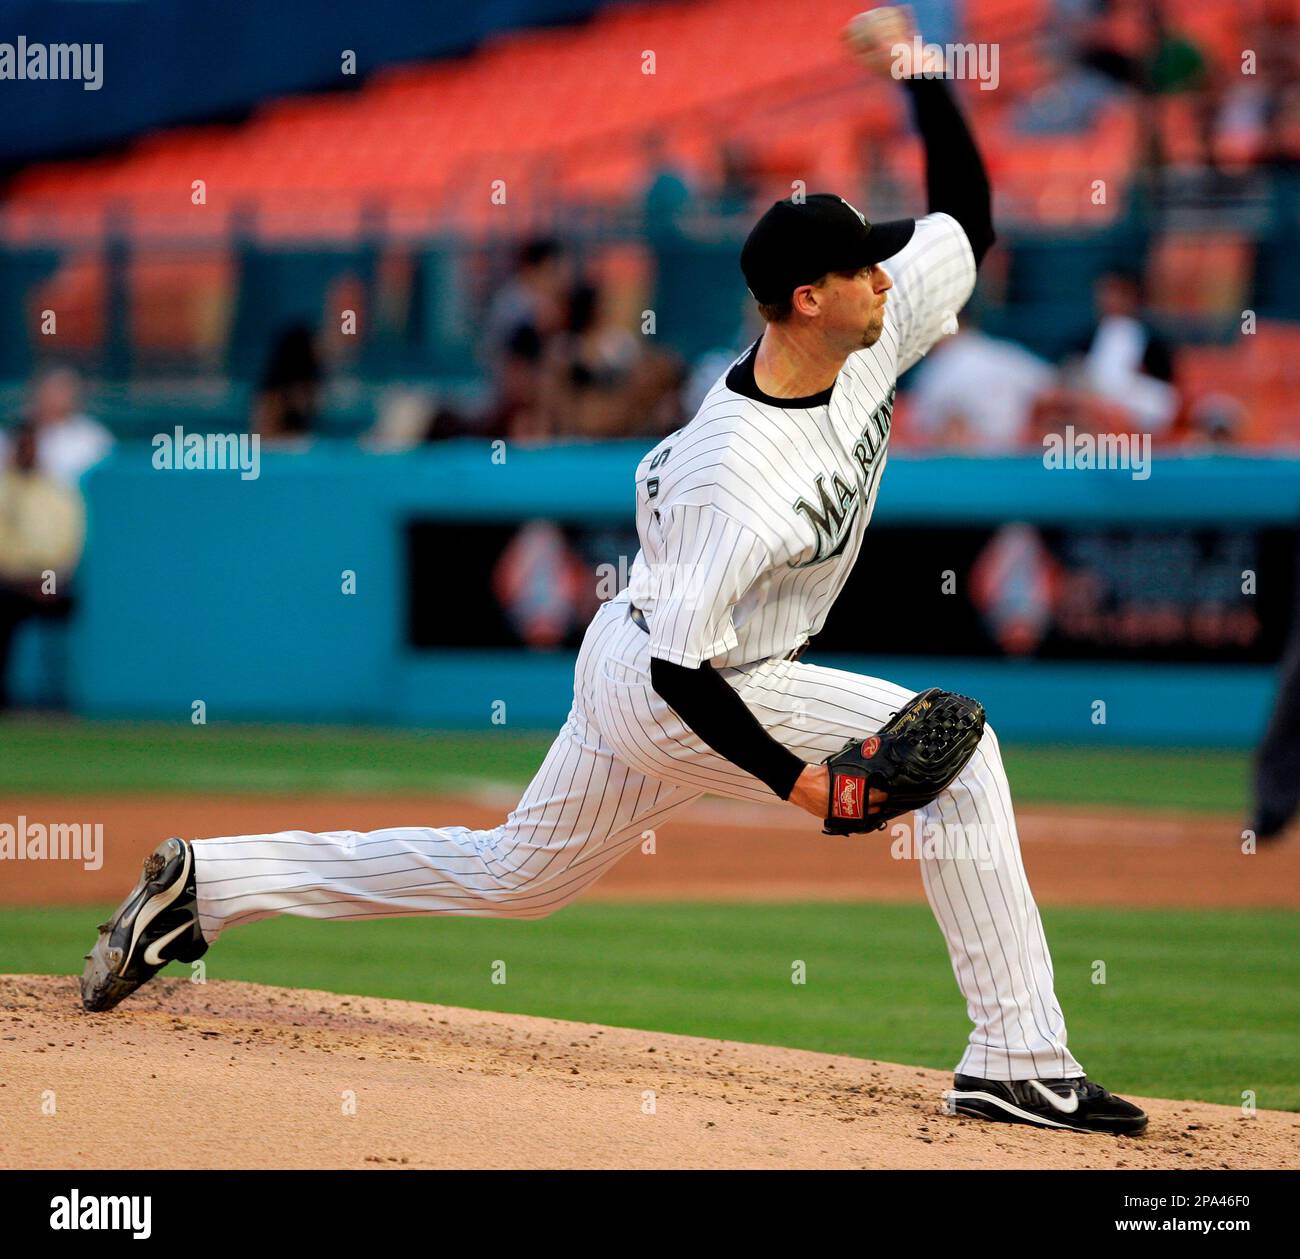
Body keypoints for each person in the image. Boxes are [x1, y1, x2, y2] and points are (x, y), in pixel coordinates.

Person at [80, 6, 1146, 1138]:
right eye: (856, 266)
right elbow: (689, 674)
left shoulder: (868, 325)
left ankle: (212, 884)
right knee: (966, 752)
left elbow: (965, 221)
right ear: (803, 301)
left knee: (513, 877)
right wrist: (804, 787)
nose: (884, 274)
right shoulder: (736, 474)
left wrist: (921, 71)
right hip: (685, 678)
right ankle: (1018, 1058)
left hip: (651, 654)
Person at [0, 422, 84, 709]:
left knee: (61, 603)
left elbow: (68, 542)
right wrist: (21, 580)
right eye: (22, 446)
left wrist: (47, 580)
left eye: (32, 445)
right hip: (9, 582)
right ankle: (5, 698)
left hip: (50, 580)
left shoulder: (56, 491)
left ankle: (55, 698)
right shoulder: (3, 487)